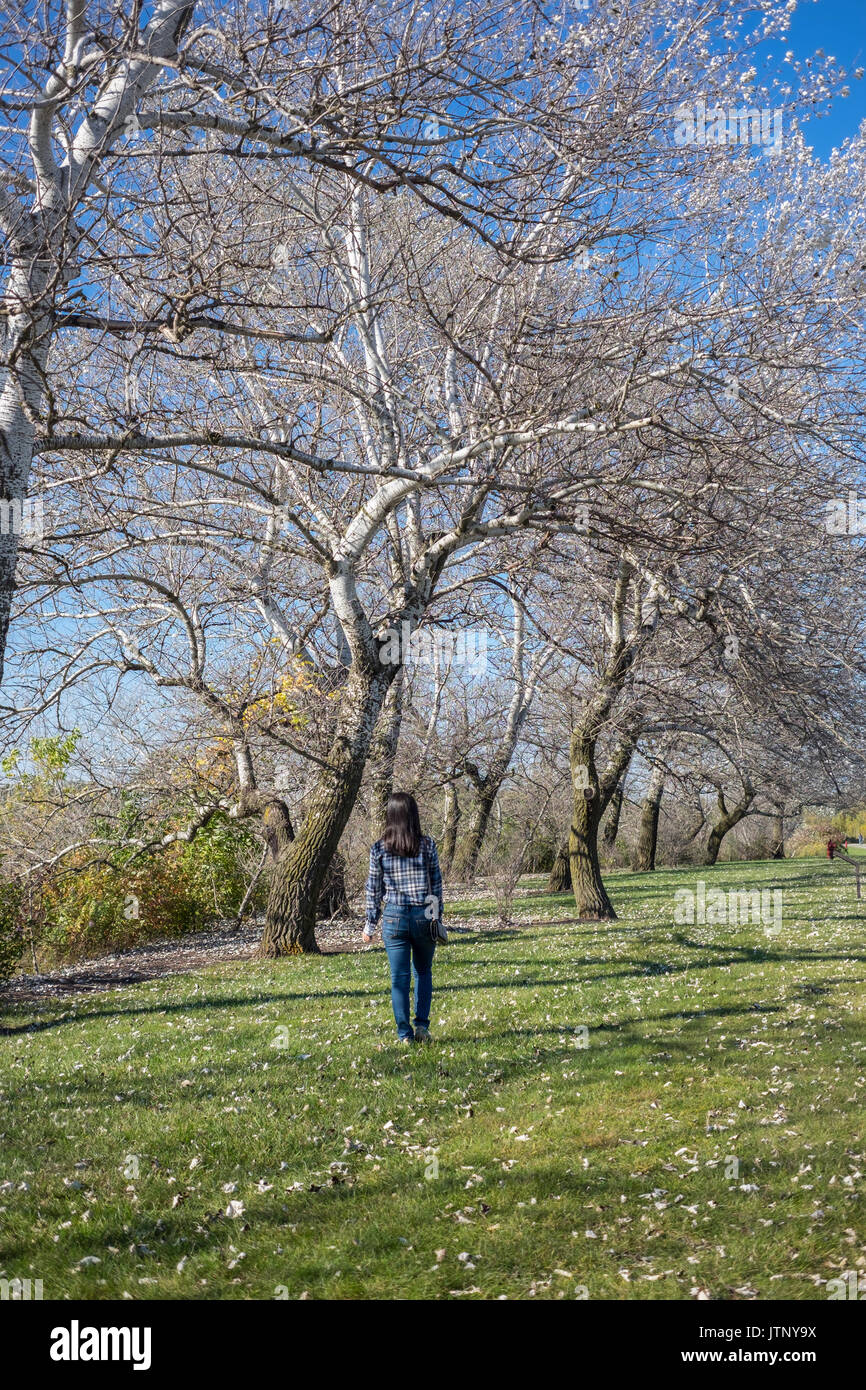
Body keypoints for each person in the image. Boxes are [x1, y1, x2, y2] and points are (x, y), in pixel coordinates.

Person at [363, 791, 443, 1044]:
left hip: (394, 916)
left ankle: (404, 1034)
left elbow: (373, 890)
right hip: (423, 915)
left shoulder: (379, 849)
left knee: (398, 977)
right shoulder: (427, 845)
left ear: (390, 816)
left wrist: (369, 924)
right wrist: (436, 916)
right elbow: (436, 886)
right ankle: (422, 1027)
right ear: (413, 815)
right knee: (423, 971)